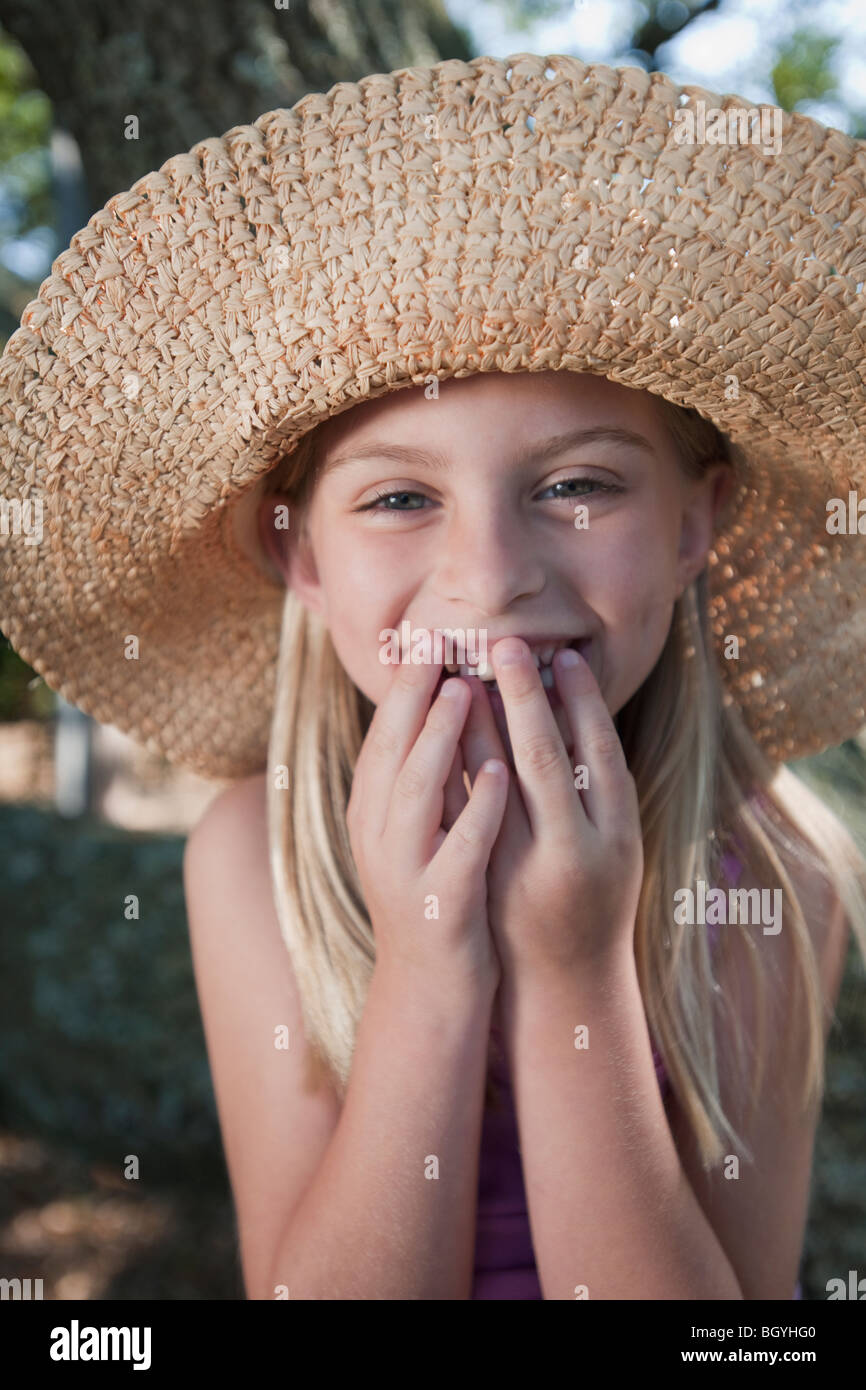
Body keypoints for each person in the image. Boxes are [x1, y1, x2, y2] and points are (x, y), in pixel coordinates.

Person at [1, 53, 865, 1301]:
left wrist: (571, 970)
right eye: (401, 496)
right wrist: (425, 967)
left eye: (576, 484)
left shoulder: (765, 877)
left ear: (692, 525)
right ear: (296, 553)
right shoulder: (255, 859)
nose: (489, 575)